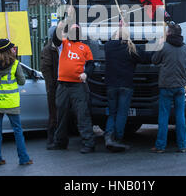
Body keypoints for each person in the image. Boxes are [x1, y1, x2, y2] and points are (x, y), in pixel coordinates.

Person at [47, 15, 96, 154]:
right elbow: (55, 39)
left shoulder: (85, 48)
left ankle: (88, 143)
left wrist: (86, 73)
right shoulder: (63, 44)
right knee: (61, 114)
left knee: (82, 114)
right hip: (63, 85)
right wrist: (60, 26)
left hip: (78, 86)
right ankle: (60, 142)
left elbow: (91, 65)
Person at [103, 24, 150, 152]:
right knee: (122, 113)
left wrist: (118, 29)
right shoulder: (131, 48)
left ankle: (108, 136)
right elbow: (146, 58)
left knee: (112, 113)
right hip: (126, 85)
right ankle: (117, 139)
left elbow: (110, 40)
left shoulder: (108, 47)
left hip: (111, 85)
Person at [0, 38, 33, 166]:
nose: (14, 49)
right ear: (8, 50)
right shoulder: (15, 64)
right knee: (17, 130)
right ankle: (23, 158)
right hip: (11, 103)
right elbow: (22, 81)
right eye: (12, 47)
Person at [150, 23, 186, 153]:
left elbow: (154, 60)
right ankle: (182, 145)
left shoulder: (164, 47)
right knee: (180, 116)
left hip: (166, 86)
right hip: (180, 87)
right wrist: (185, 81)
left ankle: (160, 146)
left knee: (163, 116)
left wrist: (159, 44)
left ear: (169, 33)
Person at [40, 25, 60, 147]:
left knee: (59, 113)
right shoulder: (48, 49)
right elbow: (45, 69)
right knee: (53, 114)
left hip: (59, 85)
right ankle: (52, 139)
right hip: (53, 86)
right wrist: (52, 85)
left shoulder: (58, 47)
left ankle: (58, 138)